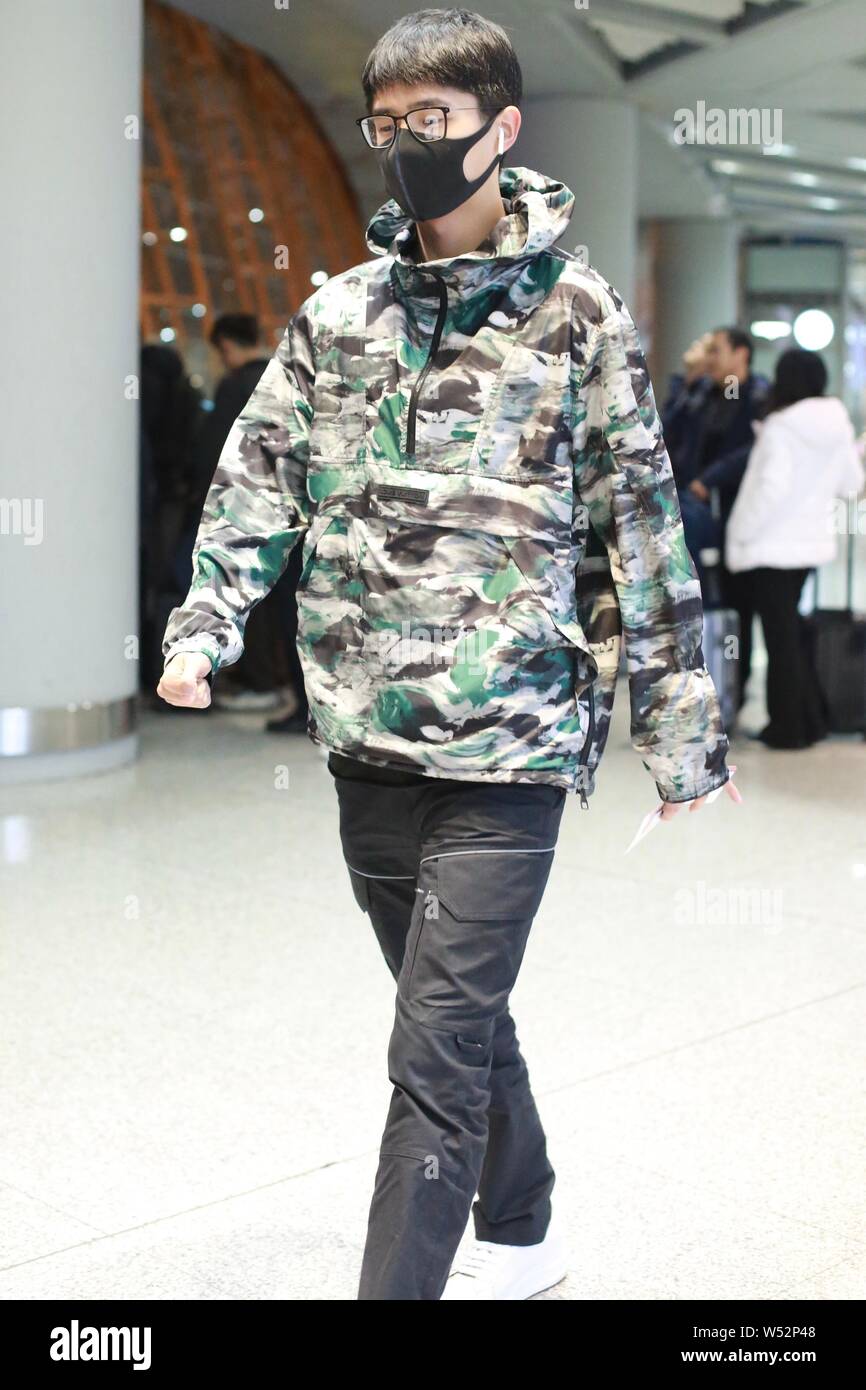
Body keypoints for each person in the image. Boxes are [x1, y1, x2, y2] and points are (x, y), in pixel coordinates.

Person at [157, 7, 738, 1301]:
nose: (410, 147)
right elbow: (257, 478)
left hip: (511, 740)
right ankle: (522, 1214)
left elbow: (639, 518)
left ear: (501, 131)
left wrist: (681, 727)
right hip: (367, 729)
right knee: (457, 1013)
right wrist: (205, 624)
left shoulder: (575, 310)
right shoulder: (337, 315)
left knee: (427, 1051)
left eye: (437, 124)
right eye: (390, 125)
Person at [726, 348, 864, 748]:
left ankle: (787, 728)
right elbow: (850, 485)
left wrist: (741, 532)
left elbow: (769, 488)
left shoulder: (781, 427)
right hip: (808, 548)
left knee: (780, 639)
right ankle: (808, 720)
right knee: (791, 636)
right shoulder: (836, 426)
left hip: (771, 547)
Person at [663, 327, 769, 706]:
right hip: (699, 512)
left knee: (736, 605)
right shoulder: (707, 392)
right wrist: (688, 382)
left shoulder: (755, 395)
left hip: (736, 515)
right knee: (700, 601)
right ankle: (703, 688)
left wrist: (710, 479)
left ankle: (733, 689)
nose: (709, 357)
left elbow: (752, 449)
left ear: (741, 354)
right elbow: (667, 433)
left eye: (716, 350)